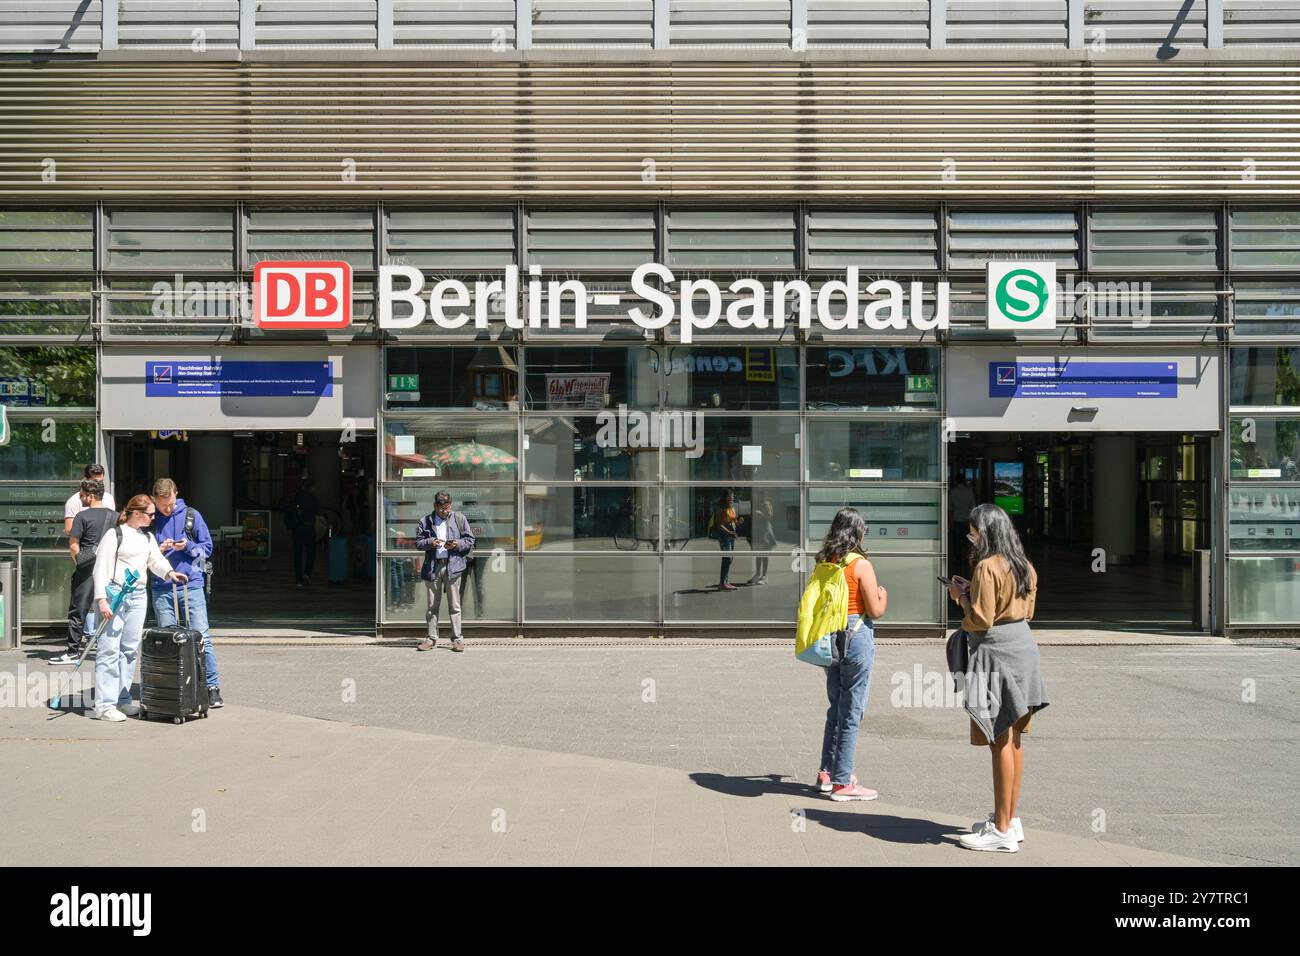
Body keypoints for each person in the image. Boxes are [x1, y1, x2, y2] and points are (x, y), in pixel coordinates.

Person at [946, 502, 1049, 853]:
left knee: (999, 740)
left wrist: (961, 597)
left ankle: (1001, 831)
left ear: (985, 532)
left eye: (973, 531)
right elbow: (1027, 611)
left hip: (997, 654)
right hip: (1023, 649)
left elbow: (980, 620)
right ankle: (1009, 818)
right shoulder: (1025, 567)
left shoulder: (987, 566)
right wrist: (975, 595)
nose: (971, 537)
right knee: (1015, 737)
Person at [813, 507, 888, 802]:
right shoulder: (860, 565)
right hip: (856, 640)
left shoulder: (825, 561)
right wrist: (883, 595)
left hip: (830, 640)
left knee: (836, 707)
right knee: (851, 712)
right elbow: (876, 610)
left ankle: (827, 774)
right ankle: (843, 783)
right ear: (858, 531)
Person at [90, 495, 187, 721]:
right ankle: (104, 706)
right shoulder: (114, 535)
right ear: (136, 513)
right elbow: (100, 568)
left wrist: (170, 572)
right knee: (109, 649)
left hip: (138, 596)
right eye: (150, 514)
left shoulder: (147, 537)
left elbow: (155, 561)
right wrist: (101, 599)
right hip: (115, 595)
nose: (154, 518)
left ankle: (123, 701)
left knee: (130, 650)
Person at [150, 478, 222, 709]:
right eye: (163, 506)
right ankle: (174, 688)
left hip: (191, 584)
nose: (167, 509)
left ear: (176, 494)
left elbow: (207, 550)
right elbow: (141, 553)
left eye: (170, 504)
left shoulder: (191, 515)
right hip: (161, 587)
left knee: (202, 637)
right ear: (154, 500)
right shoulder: (149, 519)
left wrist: (188, 547)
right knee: (168, 640)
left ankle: (211, 687)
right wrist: (157, 550)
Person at [52, 479, 117, 665]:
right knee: (109, 609)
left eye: (82, 495)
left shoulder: (82, 517)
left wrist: (81, 563)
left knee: (78, 610)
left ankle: (73, 651)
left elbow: (73, 546)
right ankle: (108, 650)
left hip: (87, 569)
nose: (80, 498)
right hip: (109, 569)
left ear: (90, 496)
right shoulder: (115, 516)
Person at [415, 491, 475, 653]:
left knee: (454, 606)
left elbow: (470, 540)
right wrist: (431, 542)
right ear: (435, 506)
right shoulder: (425, 521)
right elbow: (419, 543)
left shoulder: (459, 518)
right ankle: (431, 638)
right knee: (432, 606)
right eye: (441, 508)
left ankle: (457, 639)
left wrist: (456, 544)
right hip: (433, 567)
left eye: (447, 507)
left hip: (453, 566)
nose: (444, 511)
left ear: (451, 506)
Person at [286, 478, 321, 589]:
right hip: (309, 528)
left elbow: (288, 511)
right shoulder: (314, 499)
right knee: (311, 552)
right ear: (312, 487)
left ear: (302, 486)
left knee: (298, 555)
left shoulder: (296, 498)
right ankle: (307, 573)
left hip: (297, 529)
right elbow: (318, 512)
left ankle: (299, 581)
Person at [63, 463, 116, 535]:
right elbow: (69, 530)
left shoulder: (109, 498)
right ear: (86, 480)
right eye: (95, 481)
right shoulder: (74, 501)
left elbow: (112, 522)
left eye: (101, 481)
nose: (99, 484)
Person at [710, 490, 740, 591]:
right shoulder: (720, 508)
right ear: (726, 497)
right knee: (727, 558)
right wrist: (730, 532)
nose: (733, 497)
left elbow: (733, 521)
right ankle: (722, 583)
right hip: (724, 536)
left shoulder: (731, 507)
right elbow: (719, 525)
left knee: (730, 558)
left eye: (733, 496)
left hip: (731, 536)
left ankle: (725, 582)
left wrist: (738, 522)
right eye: (731, 496)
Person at [949, 472, 976, 576]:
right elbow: (973, 507)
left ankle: (957, 561)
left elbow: (950, 509)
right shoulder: (969, 492)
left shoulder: (952, 492)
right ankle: (967, 559)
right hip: (966, 520)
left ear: (956, 480)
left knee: (956, 543)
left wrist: (950, 522)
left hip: (956, 520)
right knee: (967, 542)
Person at [747, 495, 777, 585]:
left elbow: (769, 516)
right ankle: (757, 575)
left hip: (765, 532)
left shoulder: (766, 503)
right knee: (758, 554)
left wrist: (761, 514)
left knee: (764, 554)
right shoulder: (758, 503)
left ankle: (764, 576)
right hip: (759, 532)